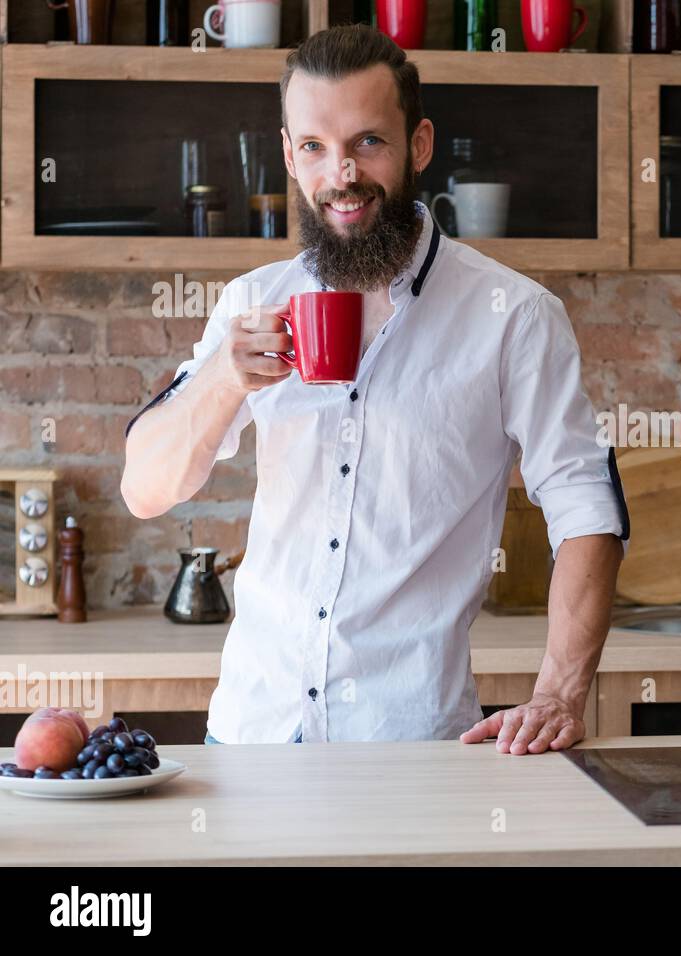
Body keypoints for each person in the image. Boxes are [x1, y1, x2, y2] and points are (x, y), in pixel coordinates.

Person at [120, 25, 628, 754]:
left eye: (368, 142)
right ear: (291, 156)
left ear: (418, 145)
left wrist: (559, 694)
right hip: (252, 735)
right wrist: (224, 378)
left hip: (412, 742)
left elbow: (588, 506)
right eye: (316, 148)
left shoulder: (513, 316)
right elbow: (145, 489)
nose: (342, 174)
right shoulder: (250, 304)